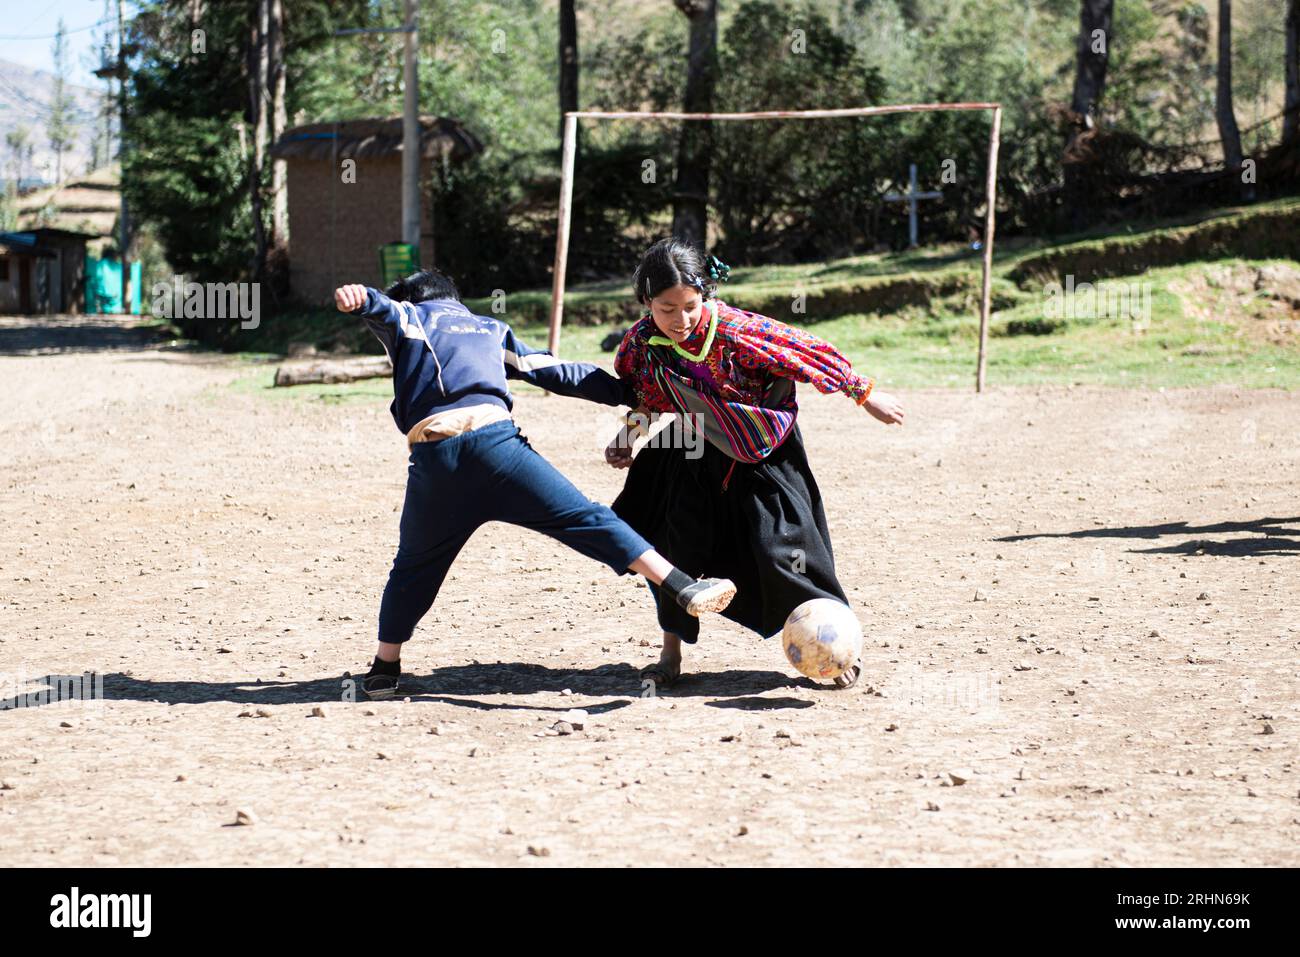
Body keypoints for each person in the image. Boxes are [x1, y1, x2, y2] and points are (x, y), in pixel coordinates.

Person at [336, 268, 736, 699]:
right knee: (588, 518)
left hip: (438, 461)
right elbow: (554, 370)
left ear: (415, 299)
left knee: (414, 566)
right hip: (499, 450)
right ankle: (681, 585)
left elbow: (380, 310)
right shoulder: (490, 328)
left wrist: (361, 298)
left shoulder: (410, 317)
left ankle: (384, 667)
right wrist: (628, 392)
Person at [604, 239, 905, 688]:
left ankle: (834, 647)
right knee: (672, 547)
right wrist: (627, 437)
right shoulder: (642, 344)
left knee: (787, 549)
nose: (681, 320)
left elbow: (806, 352)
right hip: (691, 449)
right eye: (667, 308)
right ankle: (670, 654)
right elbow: (648, 394)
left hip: (762, 448)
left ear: (704, 294)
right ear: (647, 301)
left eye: (690, 305)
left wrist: (864, 394)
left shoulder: (740, 331)